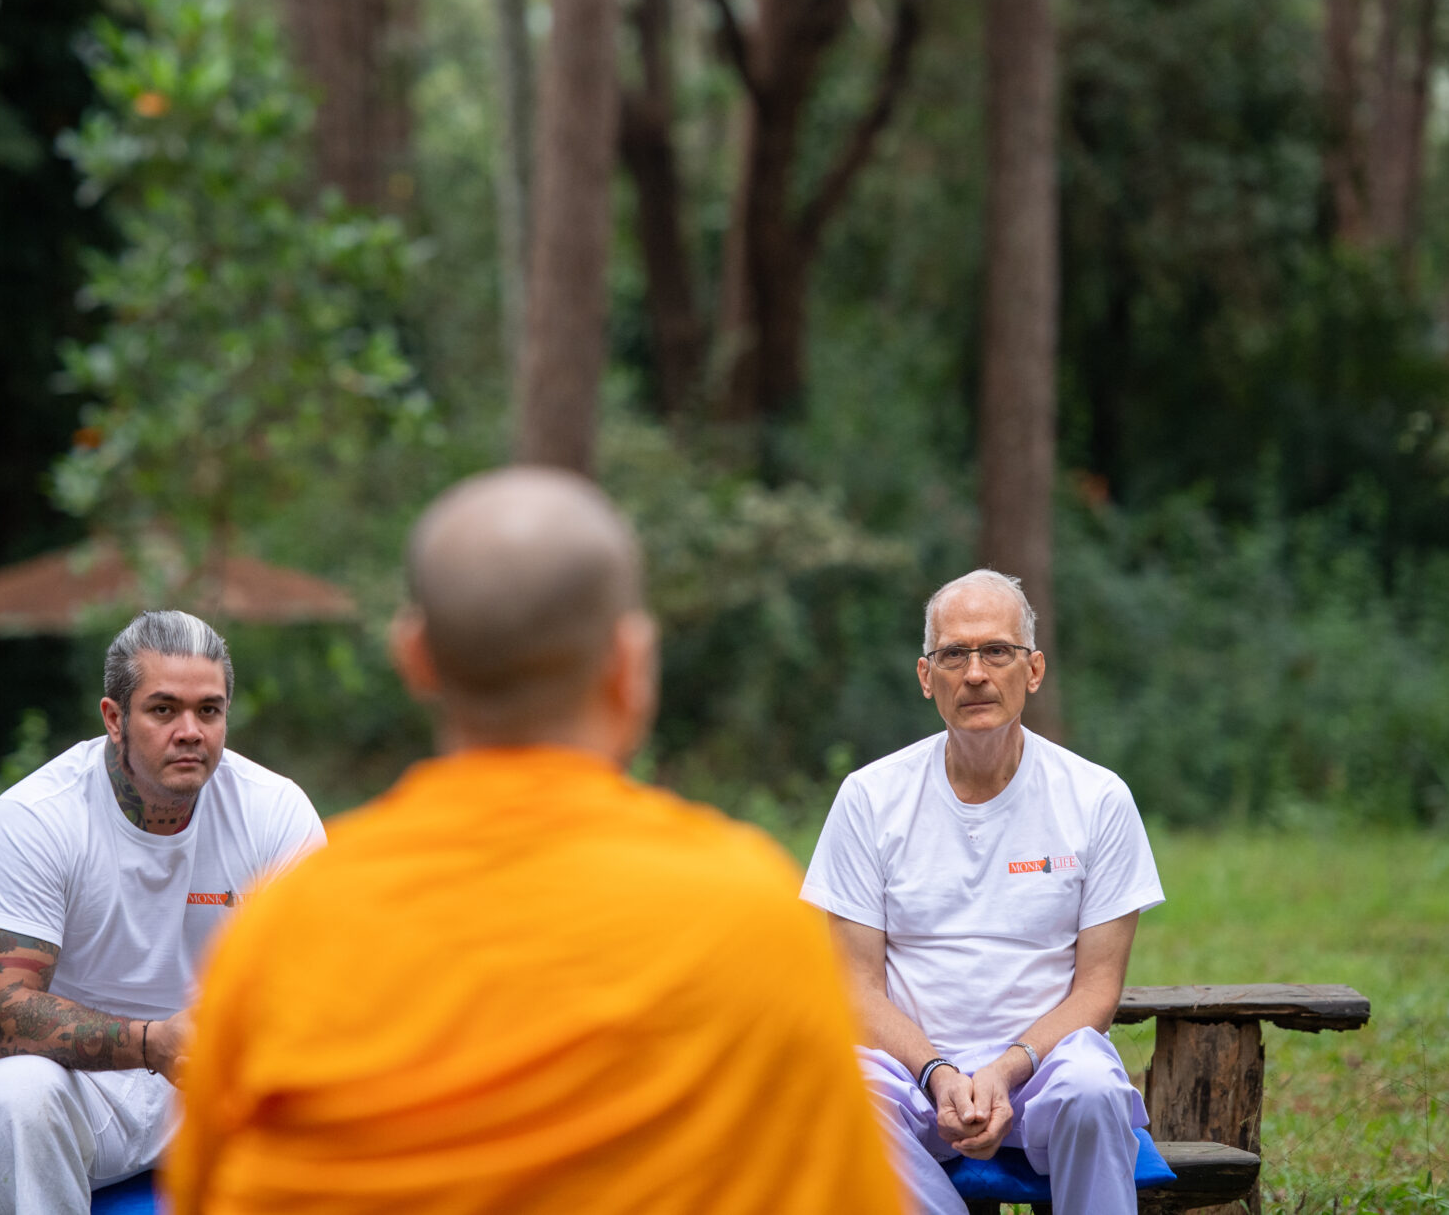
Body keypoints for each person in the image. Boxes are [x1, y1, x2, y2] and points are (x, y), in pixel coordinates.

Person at [165, 467, 903, 1215]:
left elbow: (199, 1189)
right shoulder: (755, 921)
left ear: (415, 657)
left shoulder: (280, 931)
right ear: (630, 665)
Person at [802, 569, 1165, 1215]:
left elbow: (1097, 990)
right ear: (925, 675)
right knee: (833, 1097)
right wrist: (938, 1071)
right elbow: (854, 987)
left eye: (997, 650)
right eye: (954, 654)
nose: (975, 672)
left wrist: (1005, 1069)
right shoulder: (870, 796)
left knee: (1093, 1088)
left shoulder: (1096, 797)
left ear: (1033, 670)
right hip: (911, 1071)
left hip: (1044, 1064)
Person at [0, 609, 325, 1215]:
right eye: (163, 709)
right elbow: (0, 1012)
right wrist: (153, 1042)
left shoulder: (274, 810)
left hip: (222, 1086)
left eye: (208, 710)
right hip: (80, 1089)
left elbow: (322, 981)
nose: (190, 731)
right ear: (114, 719)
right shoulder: (35, 815)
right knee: (15, 1095)